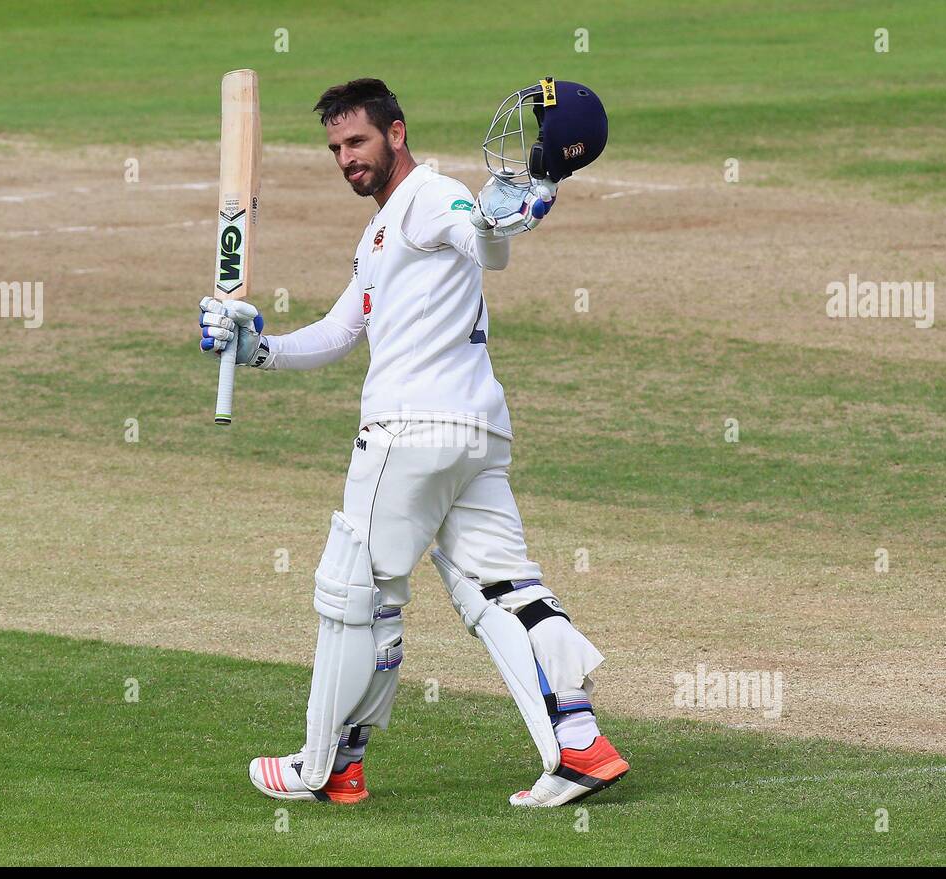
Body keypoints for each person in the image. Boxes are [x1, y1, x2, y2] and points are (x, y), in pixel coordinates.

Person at [199, 77, 626, 807]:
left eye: (357, 141)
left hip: (409, 431)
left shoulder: (431, 196)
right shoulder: (380, 232)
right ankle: (579, 746)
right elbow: (338, 334)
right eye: (336, 147)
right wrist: (256, 344)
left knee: (354, 593)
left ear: (396, 134)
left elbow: (482, 243)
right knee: (504, 588)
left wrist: (514, 214)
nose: (346, 158)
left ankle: (326, 765)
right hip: (475, 435)